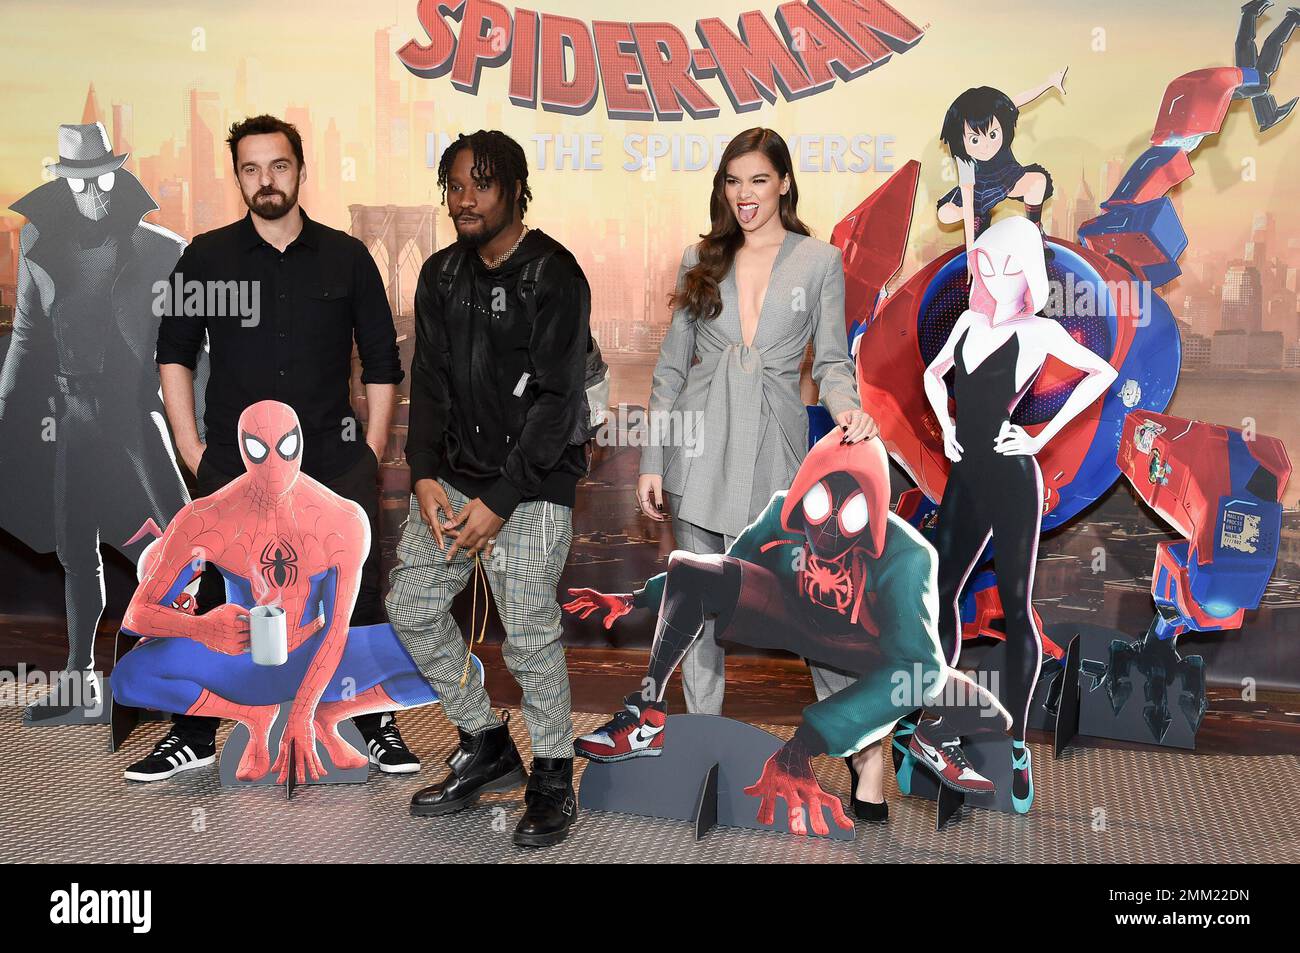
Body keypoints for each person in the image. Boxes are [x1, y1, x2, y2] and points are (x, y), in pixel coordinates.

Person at [582, 126, 888, 818]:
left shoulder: (819, 263)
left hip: (778, 462)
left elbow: (834, 364)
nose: (744, 195)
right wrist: (654, 460)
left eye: (757, 179)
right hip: (700, 454)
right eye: (732, 181)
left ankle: (870, 758)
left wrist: (851, 414)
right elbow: (668, 373)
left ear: (783, 181)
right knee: (696, 622)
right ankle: (705, 757)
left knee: (816, 619)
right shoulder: (701, 258)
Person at [130, 114, 417, 781]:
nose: (266, 181)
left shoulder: (347, 256)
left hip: (331, 458)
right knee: (210, 589)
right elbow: (171, 352)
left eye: (279, 166)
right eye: (251, 168)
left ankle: (373, 721)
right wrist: (192, 447)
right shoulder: (207, 256)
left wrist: (370, 451)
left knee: (364, 591)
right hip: (234, 466)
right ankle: (195, 734)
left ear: (301, 170)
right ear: (239, 178)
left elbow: (381, 361)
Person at [566, 433, 1009, 836]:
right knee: (688, 561)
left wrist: (804, 744)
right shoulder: (782, 513)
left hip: (866, 650)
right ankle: (647, 713)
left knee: (989, 712)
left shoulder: (907, 557)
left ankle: (935, 736)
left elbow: (920, 666)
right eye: (820, 503)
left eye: (851, 511)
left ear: (872, 511)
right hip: (791, 617)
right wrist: (635, 598)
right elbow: (717, 574)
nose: (831, 526)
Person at [387, 130, 590, 848]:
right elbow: (431, 386)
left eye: (481, 183)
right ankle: (485, 737)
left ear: (515, 189)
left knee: (529, 633)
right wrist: (421, 475)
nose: (463, 198)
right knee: (409, 605)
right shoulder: (441, 275)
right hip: (454, 478)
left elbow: (557, 403)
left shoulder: (554, 275)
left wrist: (501, 503)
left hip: (531, 485)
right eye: (454, 185)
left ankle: (553, 774)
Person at [910, 216, 1116, 812]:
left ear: (1029, 275)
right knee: (940, 590)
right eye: (989, 265)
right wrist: (947, 427)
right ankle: (936, 722)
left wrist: (1039, 434)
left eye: (1010, 267)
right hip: (967, 472)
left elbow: (1100, 372)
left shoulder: (1039, 333)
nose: (998, 276)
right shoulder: (968, 321)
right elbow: (932, 374)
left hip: (1012, 474)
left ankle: (1017, 743)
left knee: (1018, 603)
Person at [0, 122, 191, 720]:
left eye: (103, 178)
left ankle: (183, 675)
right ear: (62, 182)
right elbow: (27, 337)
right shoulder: (38, 245)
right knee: (75, 547)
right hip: (74, 416)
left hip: (138, 415)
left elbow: (189, 349)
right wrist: (4, 405)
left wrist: (199, 425)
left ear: (117, 176)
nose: (93, 193)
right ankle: (80, 682)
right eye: (79, 181)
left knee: (180, 543)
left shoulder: (162, 249)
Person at [935, 70, 1067, 252]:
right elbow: (967, 198)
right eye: (975, 139)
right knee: (945, 214)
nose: (986, 146)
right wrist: (971, 253)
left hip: (1007, 177)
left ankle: (1034, 231)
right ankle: (979, 219)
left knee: (1038, 181)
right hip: (978, 191)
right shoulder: (965, 161)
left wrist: (1048, 84)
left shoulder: (1000, 117)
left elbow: (1019, 99)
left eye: (992, 134)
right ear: (961, 139)